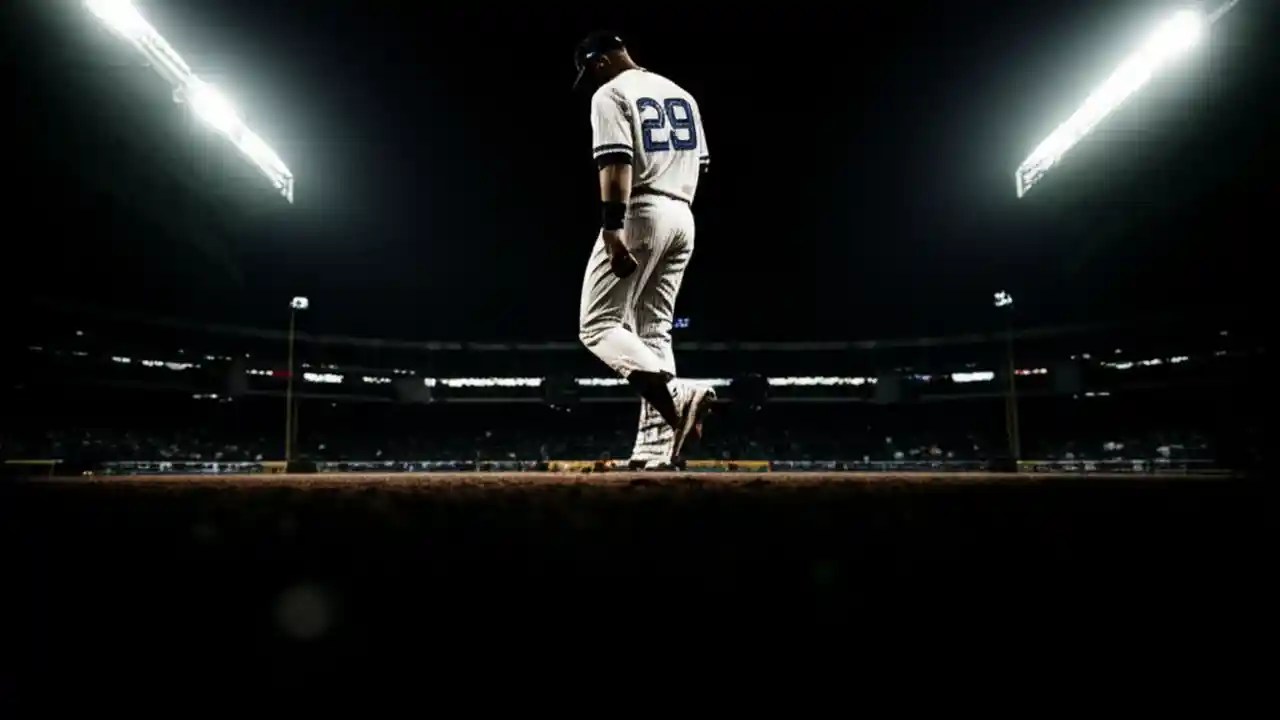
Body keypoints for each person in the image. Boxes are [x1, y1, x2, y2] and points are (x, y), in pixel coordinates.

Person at [573, 32, 714, 467]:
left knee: (597, 325)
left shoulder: (610, 92)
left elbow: (616, 162)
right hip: (683, 212)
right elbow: (702, 165)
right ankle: (656, 449)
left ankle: (677, 394)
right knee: (653, 332)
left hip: (640, 210)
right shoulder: (682, 94)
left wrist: (614, 231)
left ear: (599, 63)